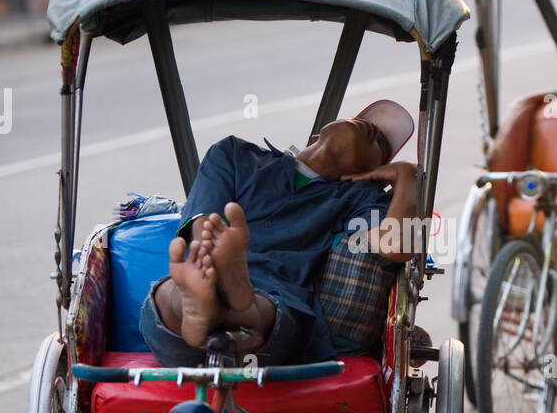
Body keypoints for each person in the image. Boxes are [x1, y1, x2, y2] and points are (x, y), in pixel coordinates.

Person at [138, 99, 417, 367]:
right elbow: (203, 225)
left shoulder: (359, 196)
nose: (374, 131)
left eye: (380, 144)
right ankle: (207, 291)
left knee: (263, 311)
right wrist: (208, 261)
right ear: (318, 134)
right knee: (172, 290)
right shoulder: (237, 155)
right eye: (359, 121)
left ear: (373, 169)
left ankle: (224, 299)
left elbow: (396, 247)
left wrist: (406, 177)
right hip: (184, 323)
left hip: (276, 312)